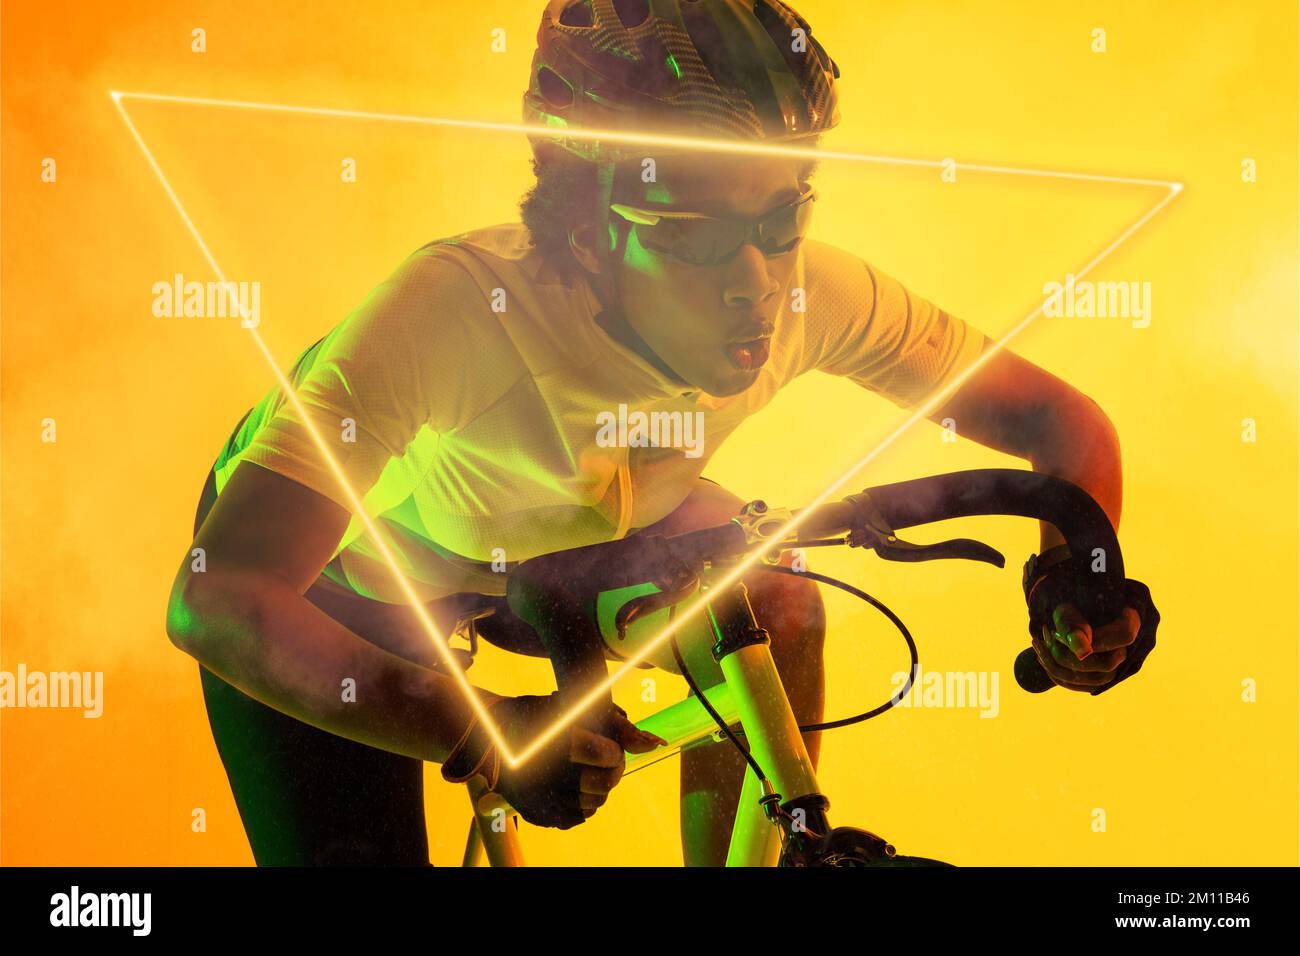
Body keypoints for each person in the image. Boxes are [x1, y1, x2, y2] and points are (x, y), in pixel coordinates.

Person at [167, 0, 1155, 867]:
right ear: (584, 225)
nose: (755, 284)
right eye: (691, 234)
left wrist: (1073, 571)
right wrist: (480, 735)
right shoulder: (449, 315)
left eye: (783, 215)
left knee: (777, 599)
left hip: (575, 538)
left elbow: (1055, 423)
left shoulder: (813, 290)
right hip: (349, 589)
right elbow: (219, 598)